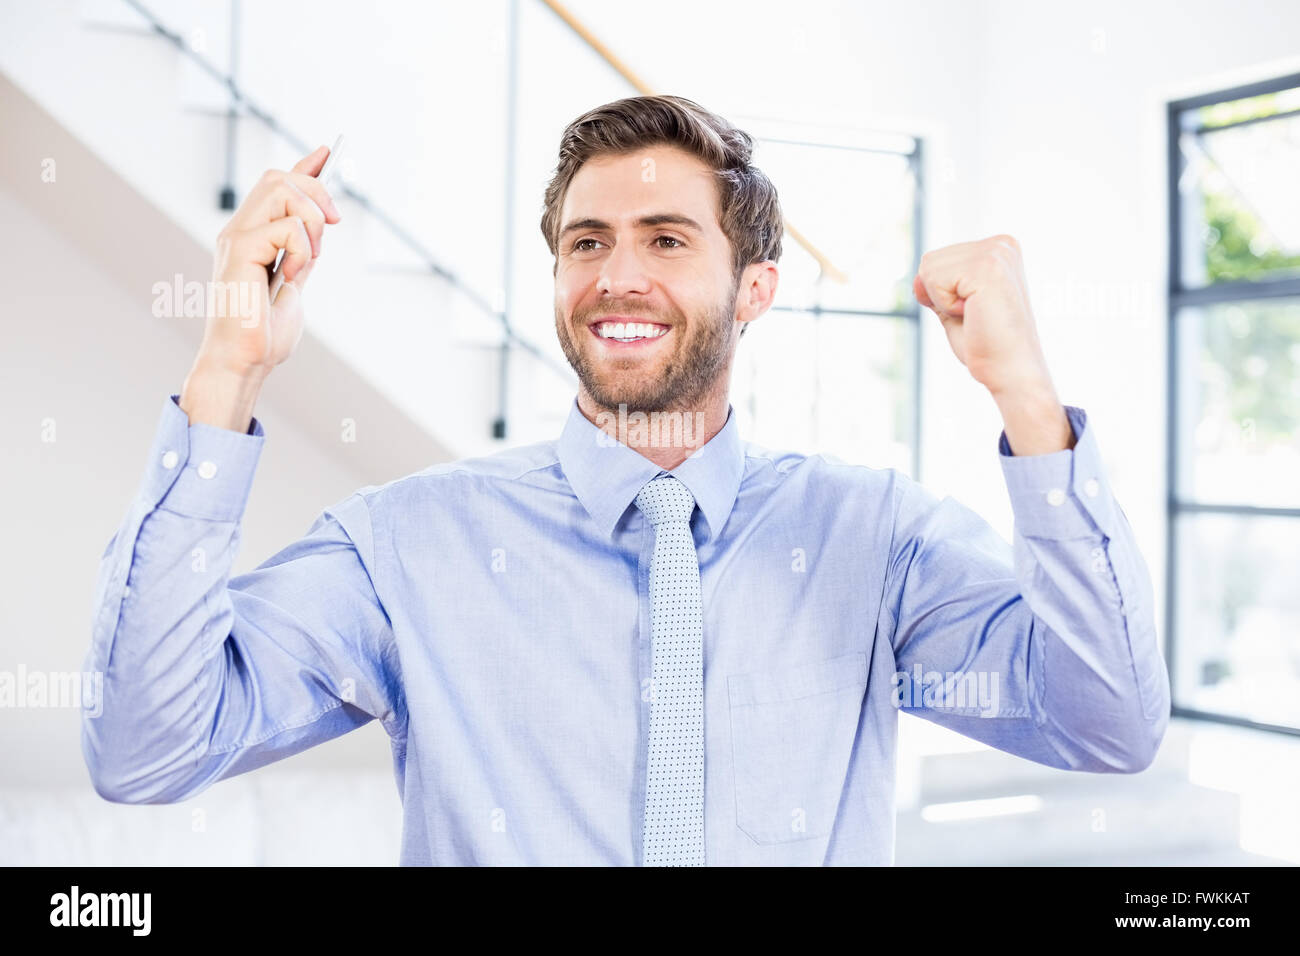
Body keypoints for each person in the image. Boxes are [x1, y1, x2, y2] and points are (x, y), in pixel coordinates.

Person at [82, 94, 1170, 866]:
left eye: (665, 238)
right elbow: (145, 746)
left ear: (755, 288)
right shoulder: (407, 544)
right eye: (587, 241)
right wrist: (227, 365)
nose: (619, 275)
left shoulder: (871, 540)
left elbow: (1107, 722)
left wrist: (1028, 398)